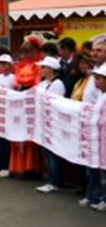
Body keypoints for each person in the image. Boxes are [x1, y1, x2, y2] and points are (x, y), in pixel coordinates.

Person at [9, 36, 44, 177]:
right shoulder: (21, 65)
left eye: (29, 52)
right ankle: (20, 167)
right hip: (20, 101)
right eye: (25, 52)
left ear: (36, 51)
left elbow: (36, 82)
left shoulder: (38, 65)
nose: (27, 55)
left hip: (31, 101)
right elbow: (16, 80)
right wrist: (18, 85)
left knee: (30, 134)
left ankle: (33, 167)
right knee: (19, 132)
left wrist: (23, 84)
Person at [35, 56, 66, 194]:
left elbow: (55, 102)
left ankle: (55, 182)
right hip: (44, 122)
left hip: (53, 123)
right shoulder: (43, 83)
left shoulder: (57, 84)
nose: (41, 70)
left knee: (52, 154)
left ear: (51, 69)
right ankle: (50, 179)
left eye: (44, 67)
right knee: (46, 153)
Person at [81, 64, 106, 211]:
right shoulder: (101, 96)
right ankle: (95, 195)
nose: (95, 81)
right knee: (96, 170)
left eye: (99, 78)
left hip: (102, 139)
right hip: (97, 139)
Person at [0, 54, 16, 178]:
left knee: (5, 140)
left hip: (8, 113)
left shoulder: (13, 78)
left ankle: (6, 166)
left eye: (5, 64)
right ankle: (0, 164)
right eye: (1, 63)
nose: (3, 66)